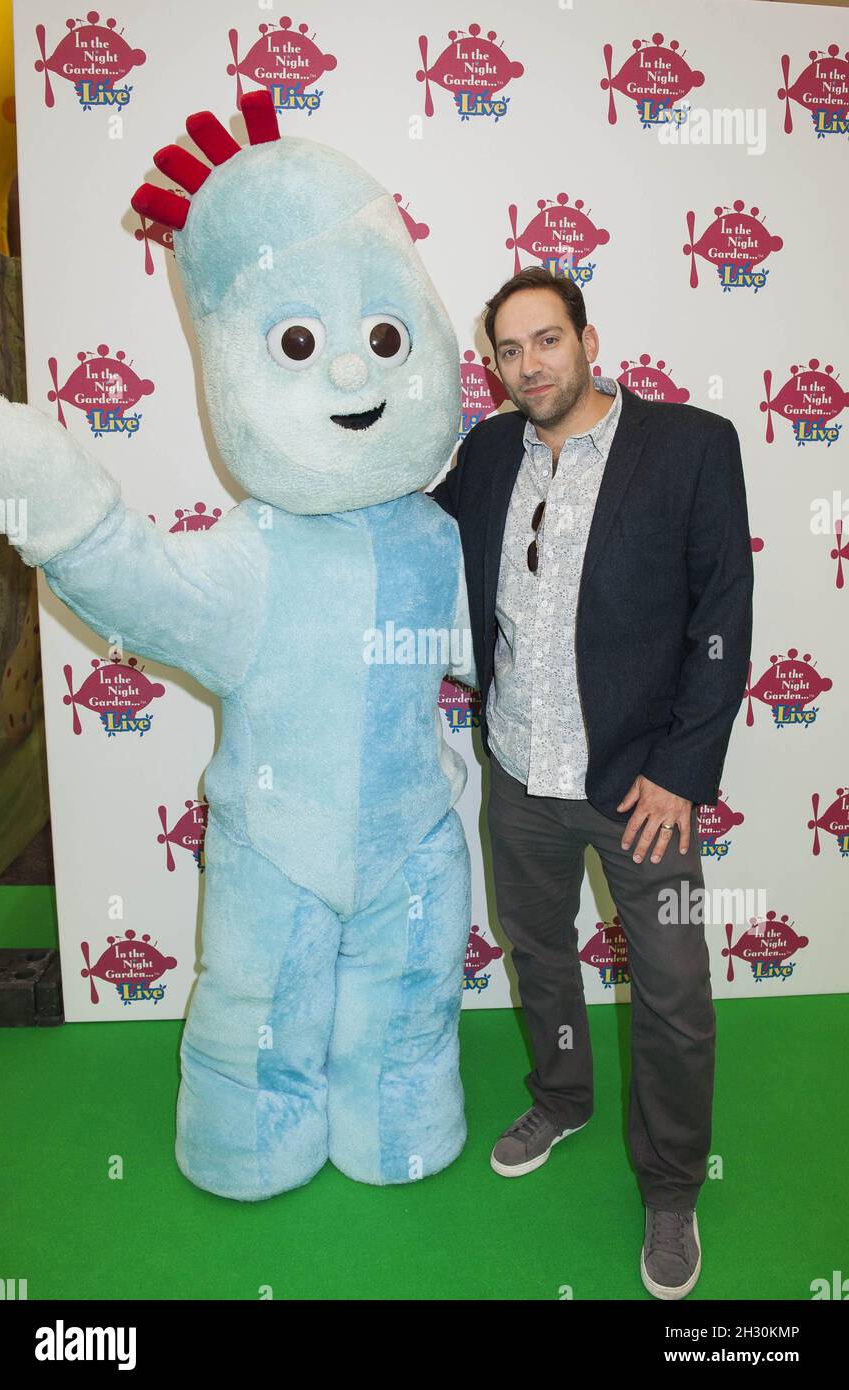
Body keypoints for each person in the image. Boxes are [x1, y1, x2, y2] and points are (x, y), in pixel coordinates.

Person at [431, 265, 754, 1300]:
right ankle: (562, 1095)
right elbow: (418, 545)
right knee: (539, 953)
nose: (530, 365)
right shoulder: (487, 454)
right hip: (520, 768)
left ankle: (669, 1187)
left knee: (673, 997)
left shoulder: (691, 447)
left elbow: (721, 619)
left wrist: (681, 770)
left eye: (547, 341)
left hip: (639, 786)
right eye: (510, 350)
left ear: (588, 338)